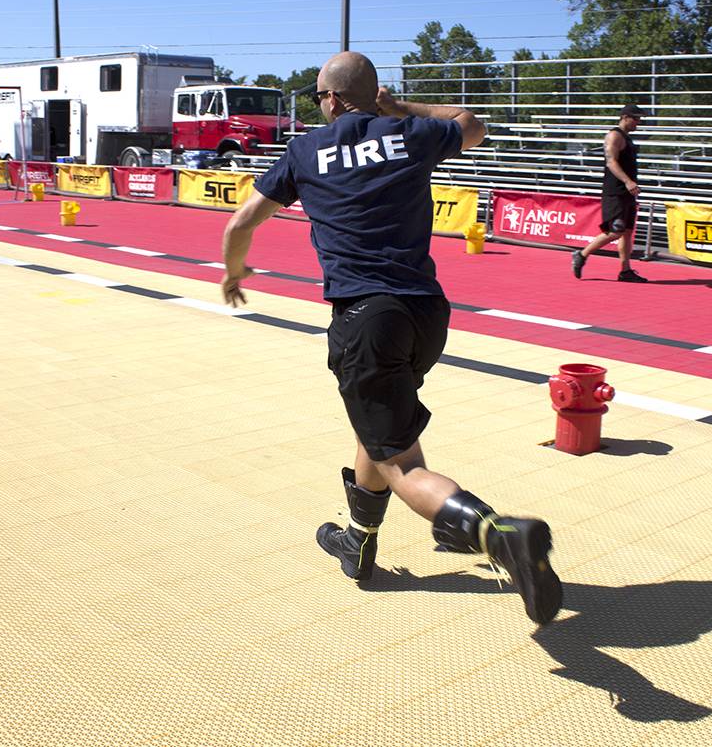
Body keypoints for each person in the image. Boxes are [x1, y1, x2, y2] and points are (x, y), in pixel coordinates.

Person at [220, 51, 562, 625]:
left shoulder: (306, 150)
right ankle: (358, 540)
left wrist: (234, 273)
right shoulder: (409, 134)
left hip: (365, 317)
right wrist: (400, 107)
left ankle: (497, 533)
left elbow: (240, 223)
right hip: (424, 313)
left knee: (403, 463)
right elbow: (472, 124)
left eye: (319, 97)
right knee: (378, 430)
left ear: (331, 99)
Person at [572, 104, 648, 282]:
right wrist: (628, 181)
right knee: (615, 231)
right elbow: (611, 162)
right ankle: (581, 254)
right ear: (625, 117)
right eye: (635, 118)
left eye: (639, 119)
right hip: (615, 191)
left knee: (627, 232)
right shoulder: (614, 135)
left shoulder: (627, 138)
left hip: (627, 192)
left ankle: (625, 270)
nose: (638, 122)